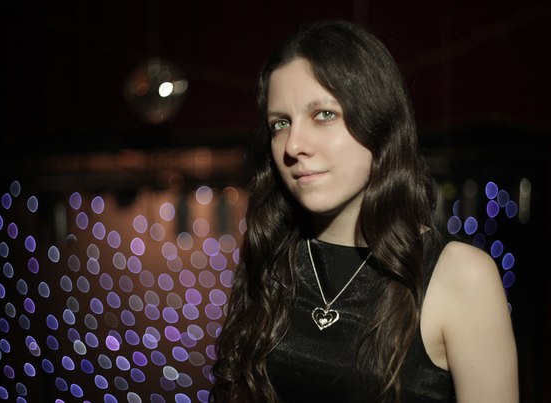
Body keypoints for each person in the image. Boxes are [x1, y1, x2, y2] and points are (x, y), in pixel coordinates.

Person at [211, 20, 518, 403]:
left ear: (380, 123)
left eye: (324, 114)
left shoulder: (459, 275)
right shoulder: (272, 257)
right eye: (281, 123)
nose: (293, 145)